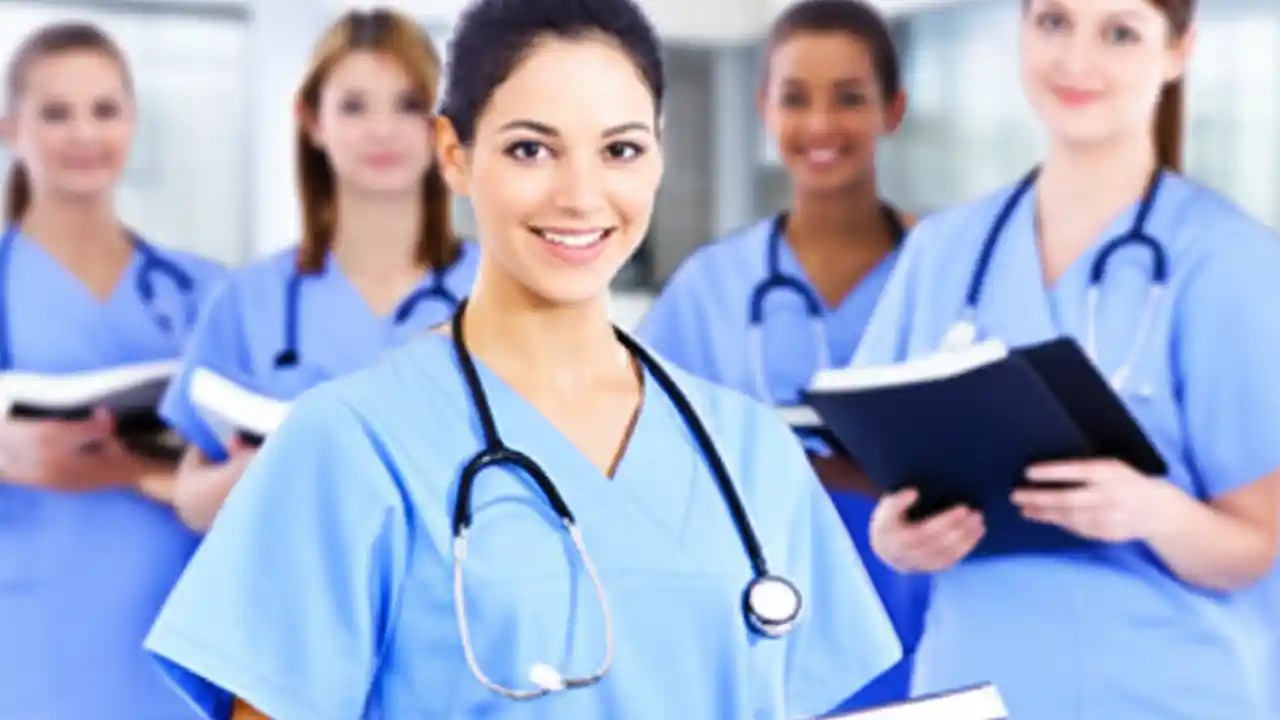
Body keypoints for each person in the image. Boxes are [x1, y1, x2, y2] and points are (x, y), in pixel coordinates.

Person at [142, 0, 902, 717]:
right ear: (455, 156)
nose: (581, 194)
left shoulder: (753, 452)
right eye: (531, 148)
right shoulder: (347, 442)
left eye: (621, 149)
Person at [855, 0, 1280, 717]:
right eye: (1054, 21)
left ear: (1180, 50)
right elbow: (888, 487)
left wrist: (1153, 513)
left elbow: (1257, 546)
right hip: (971, 688)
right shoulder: (942, 253)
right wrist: (896, 540)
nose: (1076, 60)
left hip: (1165, 694)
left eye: (1119, 32)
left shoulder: (1228, 261)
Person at [635, 0, 925, 707]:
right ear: (764, 107)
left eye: (850, 98)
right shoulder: (710, 287)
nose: (820, 125)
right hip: (761, 630)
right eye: (795, 98)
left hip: (925, 623)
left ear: (893, 108)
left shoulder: (947, 269)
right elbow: (644, 464)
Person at [158, 7, 479, 532]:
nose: (382, 129)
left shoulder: (504, 291)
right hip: (293, 602)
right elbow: (191, 499)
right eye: (353, 107)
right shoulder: (250, 300)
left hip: (447, 602)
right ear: (312, 121)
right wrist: (253, 475)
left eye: (408, 105)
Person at [0, 22, 226, 719]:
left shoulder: (206, 292)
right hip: (27, 644)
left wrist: (125, 469)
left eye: (104, 110)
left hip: (173, 638)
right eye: (57, 112)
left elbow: (257, 472)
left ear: (132, 123)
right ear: (11, 128)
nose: (84, 133)